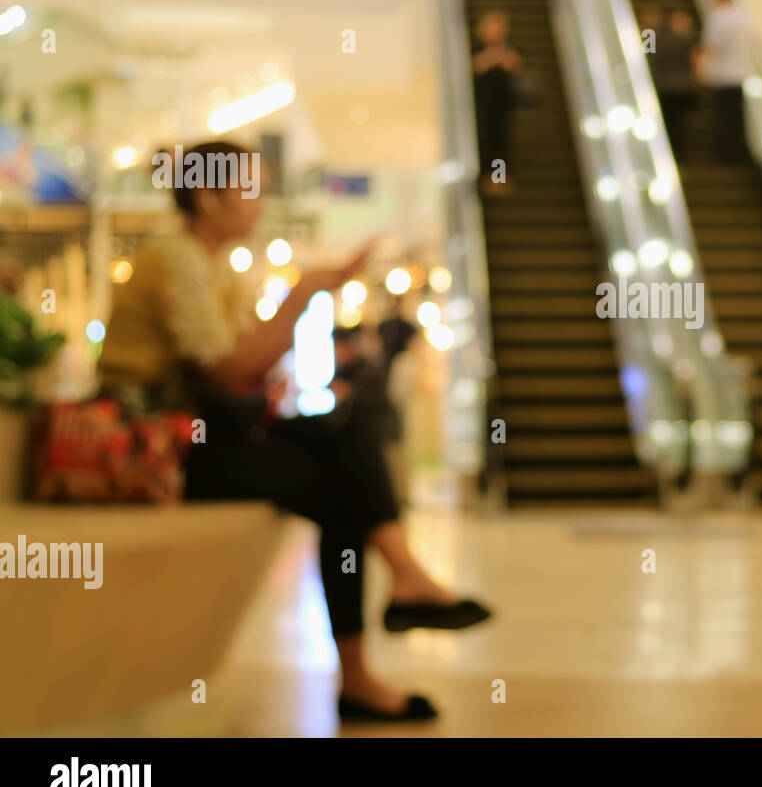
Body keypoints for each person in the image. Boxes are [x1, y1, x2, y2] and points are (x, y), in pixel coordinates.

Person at [98, 142, 491, 723]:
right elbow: (232, 369)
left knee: (348, 432)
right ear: (209, 197)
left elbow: (242, 369)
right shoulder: (174, 260)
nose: (259, 204)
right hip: (161, 447)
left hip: (203, 434)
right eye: (249, 190)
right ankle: (376, 638)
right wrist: (307, 290)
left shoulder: (208, 265)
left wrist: (304, 302)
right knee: (339, 485)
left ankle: (401, 583)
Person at [697, 0, 753, 165]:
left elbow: (710, 47)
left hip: (722, 76)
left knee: (723, 118)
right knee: (737, 118)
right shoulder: (746, 17)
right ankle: (740, 155)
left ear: (719, 0)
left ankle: (724, 155)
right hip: (741, 74)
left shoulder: (718, 18)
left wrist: (700, 71)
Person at [470, 10, 522, 195]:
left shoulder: (508, 48)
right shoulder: (475, 48)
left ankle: (499, 179)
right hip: (482, 105)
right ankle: (486, 178)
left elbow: (513, 65)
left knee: (500, 144)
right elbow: (475, 66)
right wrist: (492, 58)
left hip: (501, 106)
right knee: (485, 142)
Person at [648, 8, 698, 157]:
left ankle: (665, 150)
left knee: (667, 120)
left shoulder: (653, 36)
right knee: (679, 122)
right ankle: (678, 151)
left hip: (662, 85)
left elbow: (649, 56)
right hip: (680, 87)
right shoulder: (685, 38)